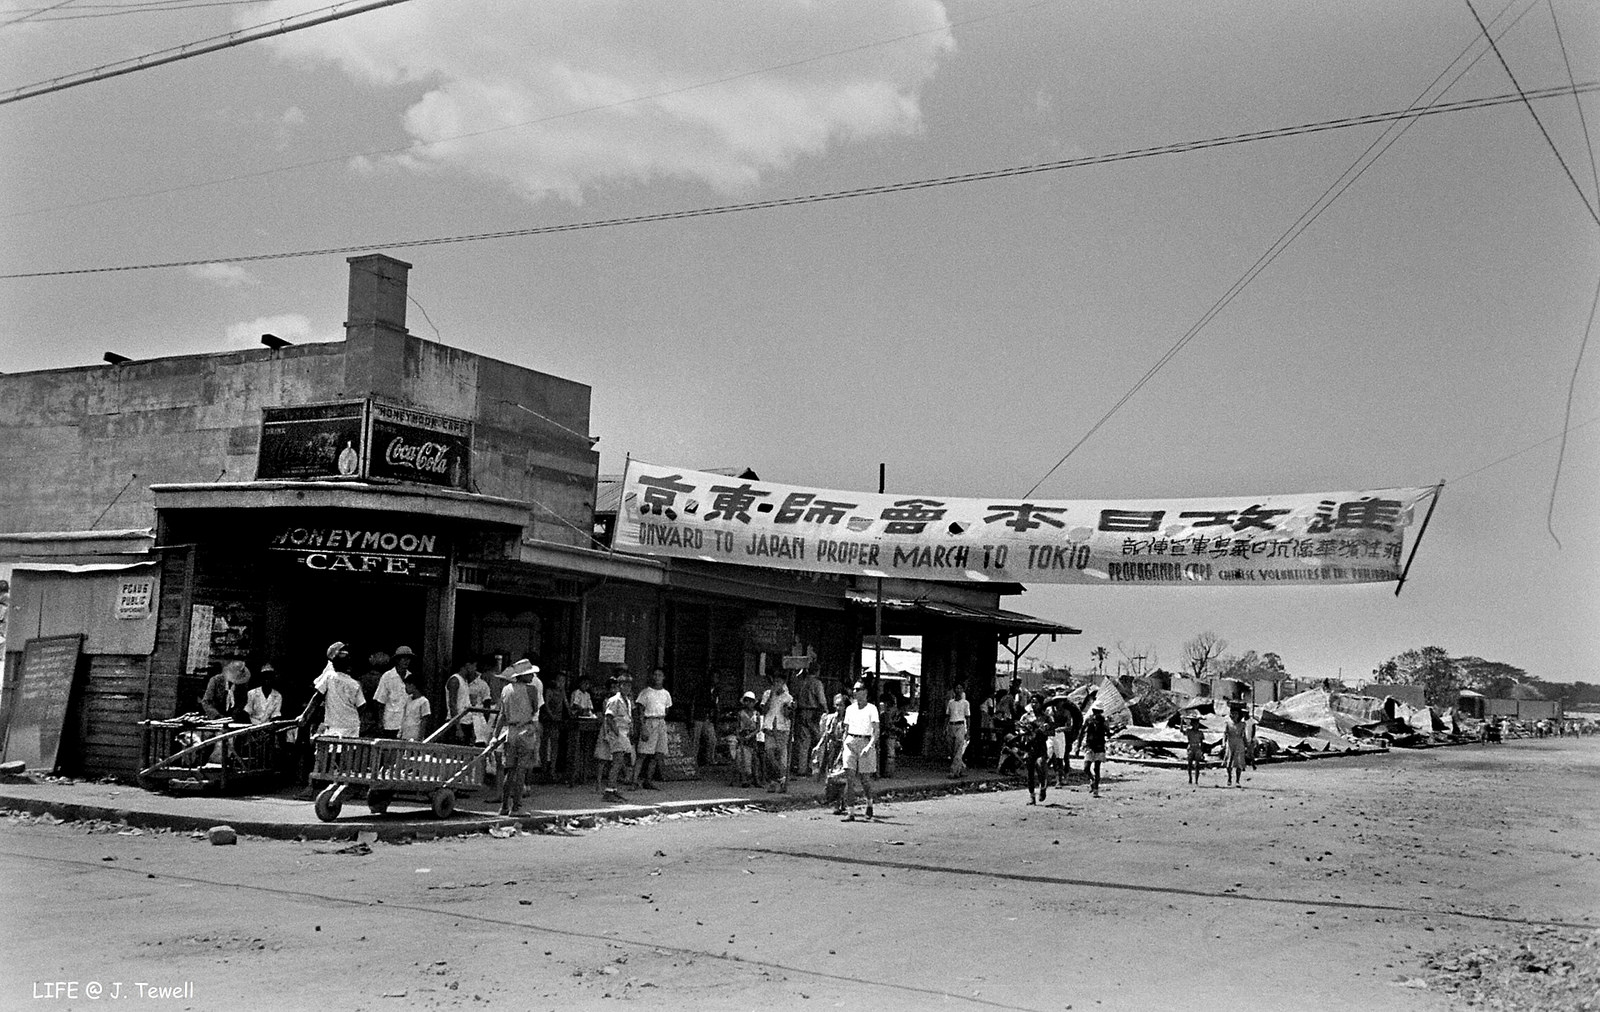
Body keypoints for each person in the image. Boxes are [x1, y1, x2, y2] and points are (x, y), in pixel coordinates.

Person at [492, 659, 540, 815]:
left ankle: (504, 806)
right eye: (530, 674)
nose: (532, 676)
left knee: (510, 770)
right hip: (525, 730)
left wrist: (495, 736)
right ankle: (516, 807)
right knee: (521, 771)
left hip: (510, 732)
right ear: (523, 676)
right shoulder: (531, 690)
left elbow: (502, 715)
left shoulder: (506, 690)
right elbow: (534, 708)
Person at [839, 681, 879, 820]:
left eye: (858, 689)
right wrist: (844, 744)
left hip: (865, 741)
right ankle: (850, 812)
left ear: (865, 692)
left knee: (865, 779)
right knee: (849, 778)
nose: (855, 692)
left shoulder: (872, 709)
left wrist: (869, 746)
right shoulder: (850, 709)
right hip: (851, 741)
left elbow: (876, 730)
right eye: (854, 689)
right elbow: (846, 729)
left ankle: (869, 803)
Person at [634, 668, 672, 790]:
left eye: (660, 675)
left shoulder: (666, 694)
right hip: (649, 721)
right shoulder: (646, 692)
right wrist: (643, 726)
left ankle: (648, 780)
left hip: (661, 721)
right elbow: (640, 711)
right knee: (643, 753)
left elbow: (666, 709)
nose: (657, 677)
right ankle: (634, 781)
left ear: (663, 677)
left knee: (657, 754)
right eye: (655, 675)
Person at [600, 672, 635, 802]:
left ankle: (613, 789)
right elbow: (609, 717)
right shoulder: (614, 700)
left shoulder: (628, 701)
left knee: (620, 762)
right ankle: (609, 790)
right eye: (624, 685)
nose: (627, 688)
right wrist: (616, 733)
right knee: (617, 762)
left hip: (625, 732)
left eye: (629, 685)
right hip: (617, 732)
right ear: (619, 686)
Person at [759, 671, 795, 794]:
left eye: (779, 682)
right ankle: (781, 777)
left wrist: (789, 708)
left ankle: (778, 781)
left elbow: (788, 715)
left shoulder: (788, 697)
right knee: (769, 755)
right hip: (769, 727)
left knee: (781, 757)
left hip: (782, 729)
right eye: (775, 682)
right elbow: (764, 710)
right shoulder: (767, 694)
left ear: (783, 683)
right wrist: (771, 695)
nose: (777, 684)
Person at [372, 646, 415, 740]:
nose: (406, 661)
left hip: (406, 724)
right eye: (403, 658)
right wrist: (380, 722)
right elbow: (380, 701)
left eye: (408, 659)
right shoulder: (387, 677)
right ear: (397, 660)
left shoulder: (411, 677)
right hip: (390, 724)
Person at [319, 652, 366, 739]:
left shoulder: (329, 677)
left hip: (334, 725)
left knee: (332, 746)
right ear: (349, 667)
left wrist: (304, 716)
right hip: (352, 726)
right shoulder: (355, 684)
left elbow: (317, 697)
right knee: (350, 746)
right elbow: (362, 705)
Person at [792, 666, 828, 777]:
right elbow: (821, 700)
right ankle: (814, 767)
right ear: (817, 671)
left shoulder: (801, 682)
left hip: (801, 712)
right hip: (813, 713)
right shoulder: (817, 683)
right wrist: (826, 710)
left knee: (804, 741)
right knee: (819, 740)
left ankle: (802, 768)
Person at [540, 671, 570, 780]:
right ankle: (543, 768)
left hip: (557, 720)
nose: (561, 683)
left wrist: (571, 713)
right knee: (544, 744)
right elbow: (546, 705)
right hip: (548, 719)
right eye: (559, 681)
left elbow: (566, 703)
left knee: (554, 744)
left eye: (563, 681)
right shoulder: (549, 691)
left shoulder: (562, 692)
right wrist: (551, 715)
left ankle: (552, 769)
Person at [443, 657, 479, 744]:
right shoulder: (455, 680)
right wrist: (458, 727)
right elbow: (452, 704)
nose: (475, 669)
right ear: (467, 665)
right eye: (474, 666)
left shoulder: (465, 681)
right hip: (458, 722)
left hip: (467, 721)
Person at [691, 678, 722, 767]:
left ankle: (710, 759)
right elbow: (695, 702)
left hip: (707, 718)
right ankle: (693, 760)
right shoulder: (702, 689)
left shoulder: (716, 691)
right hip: (698, 716)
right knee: (695, 740)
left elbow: (716, 704)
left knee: (712, 739)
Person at [734, 691, 761, 788]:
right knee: (742, 758)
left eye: (750, 701)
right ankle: (744, 779)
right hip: (743, 736)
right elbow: (737, 726)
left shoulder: (756, 714)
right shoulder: (740, 714)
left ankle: (756, 779)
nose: (748, 703)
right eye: (746, 701)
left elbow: (758, 728)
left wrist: (750, 735)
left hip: (752, 738)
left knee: (754, 759)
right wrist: (738, 736)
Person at [1081, 703, 1109, 797]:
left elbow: (1108, 732)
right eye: (1095, 711)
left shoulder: (1104, 720)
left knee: (1097, 769)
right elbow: (1082, 731)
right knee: (1086, 768)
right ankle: (1092, 780)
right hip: (1090, 746)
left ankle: (1096, 789)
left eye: (1098, 712)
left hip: (1099, 746)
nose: (1096, 713)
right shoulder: (1088, 720)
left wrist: (1104, 725)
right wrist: (1079, 745)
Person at [1222, 704, 1253, 787]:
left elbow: (1244, 735)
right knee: (1229, 763)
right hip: (1230, 744)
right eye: (1232, 713)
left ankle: (1237, 781)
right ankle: (1229, 778)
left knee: (1239, 763)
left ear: (1239, 715)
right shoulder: (1228, 723)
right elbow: (1225, 734)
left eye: (1235, 713)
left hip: (1239, 744)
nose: (1233, 715)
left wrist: (1247, 745)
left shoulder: (1242, 724)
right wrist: (1223, 743)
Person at [946, 683, 971, 779]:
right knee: (951, 749)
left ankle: (953, 771)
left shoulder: (965, 703)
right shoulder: (951, 702)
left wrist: (968, 731)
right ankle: (960, 768)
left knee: (959, 748)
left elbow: (968, 717)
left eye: (960, 688)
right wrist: (945, 727)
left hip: (960, 725)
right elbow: (947, 715)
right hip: (951, 725)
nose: (958, 690)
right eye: (957, 688)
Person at [400, 675, 431, 741]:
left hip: (415, 736)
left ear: (413, 686)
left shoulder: (424, 701)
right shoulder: (408, 700)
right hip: (405, 735)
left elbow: (424, 721)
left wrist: (420, 738)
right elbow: (404, 717)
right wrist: (401, 732)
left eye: (407, 685)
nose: (405, 688)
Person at [1184, 715, 1207, 786]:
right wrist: (1181, 721)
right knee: (1189, 764)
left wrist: (1202, 752)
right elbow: (1181, 731)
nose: (1196, 725)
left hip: (1197, 748)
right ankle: (1190, 778)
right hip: (1191, 747)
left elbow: (1202, 742)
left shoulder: (1200, 732)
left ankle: (1196, 780)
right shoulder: (1189, 731)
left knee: (1197, 765)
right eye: (1194, 724)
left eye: (1197, 724)